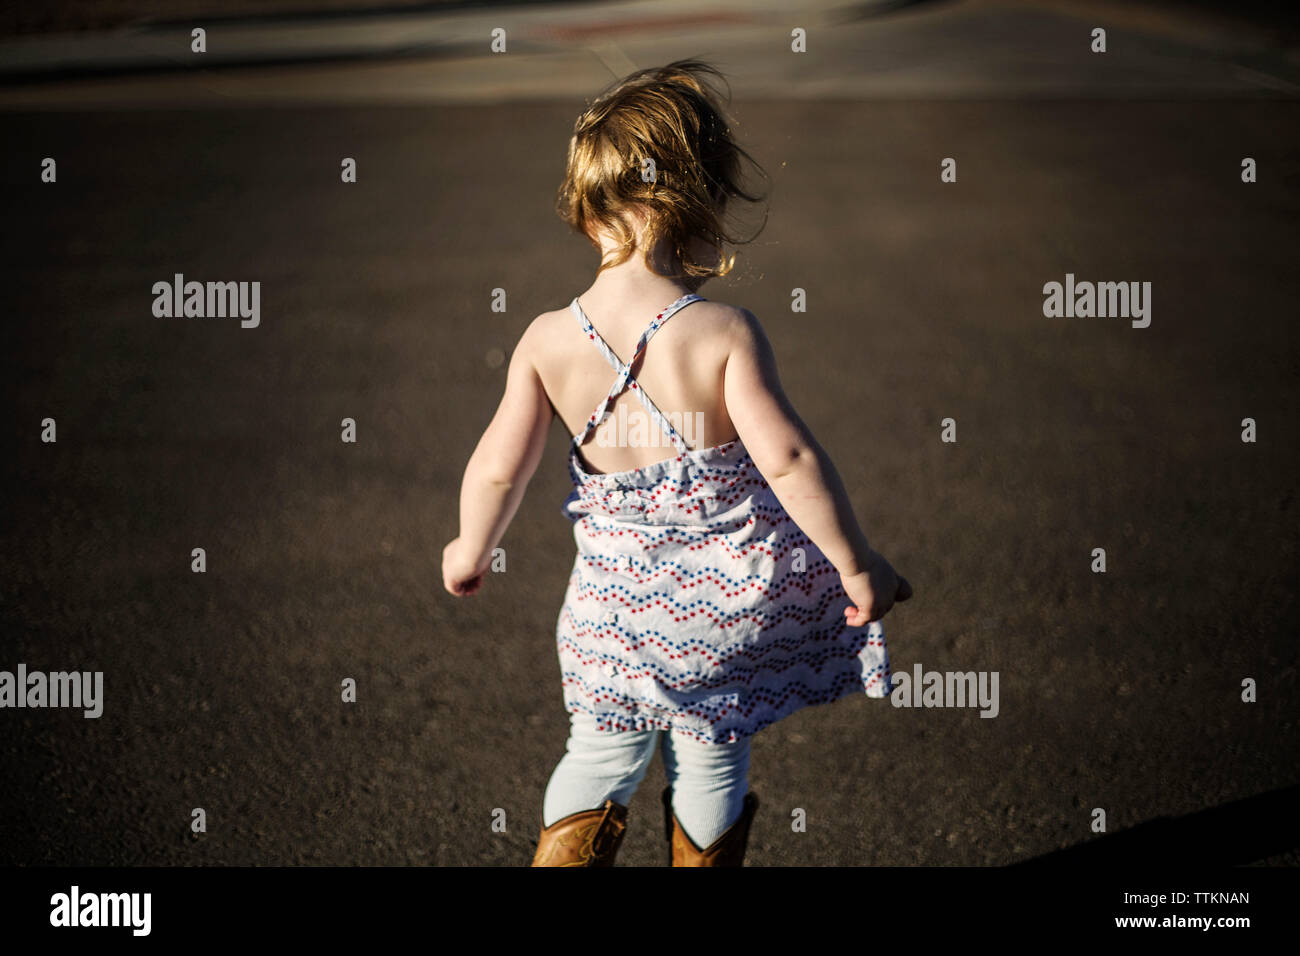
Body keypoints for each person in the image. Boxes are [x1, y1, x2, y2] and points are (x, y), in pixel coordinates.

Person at [442, 59, 912, 867]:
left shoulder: (549, 340)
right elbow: (793, 460)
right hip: (720, 620)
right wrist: (856, 563)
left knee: (597, 756)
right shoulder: (723, 333)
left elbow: (498, 468)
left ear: (591, 213)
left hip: (609, 619)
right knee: (713, 751)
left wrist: (470, 547)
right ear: (696, 206)